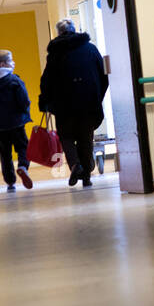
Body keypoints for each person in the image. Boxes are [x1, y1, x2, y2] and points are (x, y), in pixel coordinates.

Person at [38, 19, 107, 187]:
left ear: (59, 33)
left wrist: (45, 101)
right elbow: (103, 75)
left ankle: (76, 165)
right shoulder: (90, 49)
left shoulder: (55, 54)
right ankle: (87, 177)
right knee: (85, 138)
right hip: (88, 103)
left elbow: (46, 81)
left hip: (64, 106)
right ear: (75, 30)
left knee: (67, 137)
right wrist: (98, 96)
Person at [0, 49, 33, 193]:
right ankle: (23, 166)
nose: (13, 63)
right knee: (24, 147)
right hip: (17, 123)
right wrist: (24, 113)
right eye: (11, 61)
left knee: (5, 154)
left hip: (0, 126)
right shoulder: (15, 80)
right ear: (4, 63)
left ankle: (10, 182)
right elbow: (24, 101)